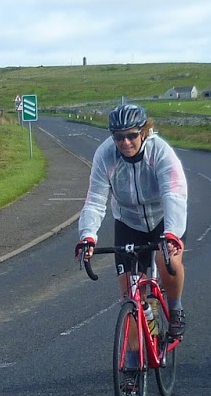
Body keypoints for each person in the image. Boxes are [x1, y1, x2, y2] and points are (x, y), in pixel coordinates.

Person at [75, 103, 190, 352]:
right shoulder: (105, 155)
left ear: (144, 131)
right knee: (130, 296)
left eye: (131, 135)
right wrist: (87, 237)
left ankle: (176, 307)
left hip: (163, 219)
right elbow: (95, 200)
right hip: (128, 221)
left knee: (166, 261)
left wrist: (171, 234)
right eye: (118, 137)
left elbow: (174, 193)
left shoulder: (160, 151)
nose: (125, 142)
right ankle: (132, 362)